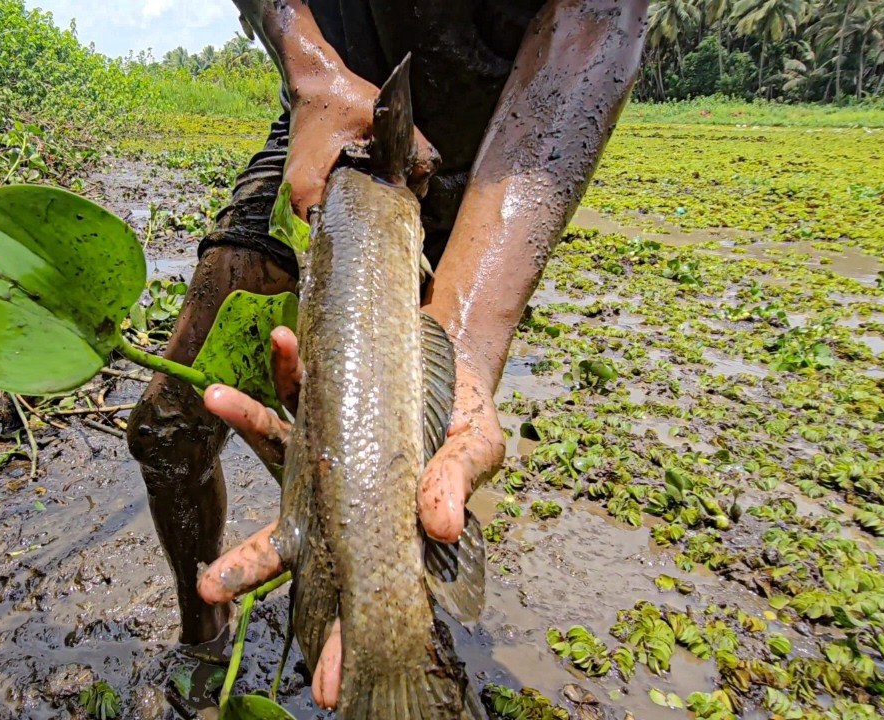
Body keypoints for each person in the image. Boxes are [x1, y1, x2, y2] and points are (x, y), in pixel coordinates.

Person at [126, 0, 649, 710]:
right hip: (328, 133)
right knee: (166, 426)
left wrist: (454, 349)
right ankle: (203, 634)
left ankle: (409, 635)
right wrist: (309, 67)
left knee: (422, 473)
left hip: (494, 159)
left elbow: (593, 24)